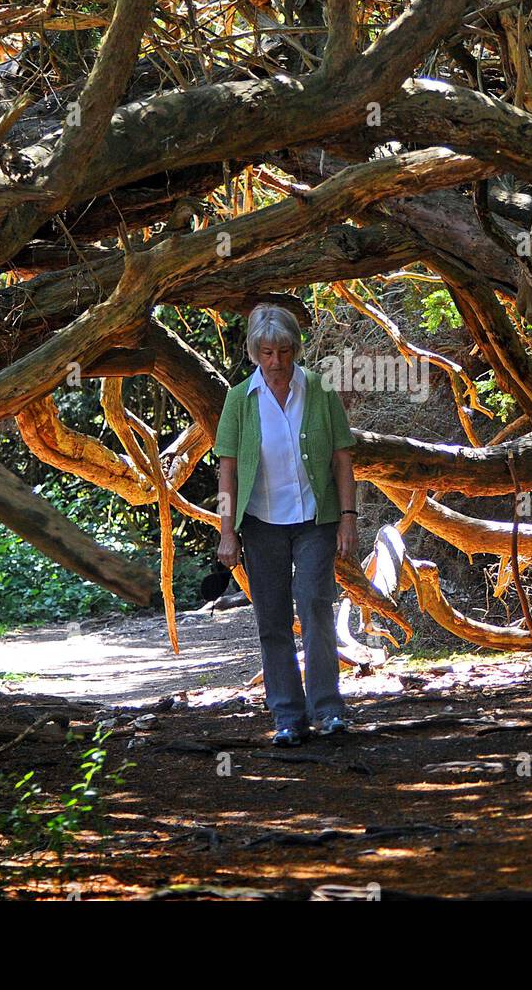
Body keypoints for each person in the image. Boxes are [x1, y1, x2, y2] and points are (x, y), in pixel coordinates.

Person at [213, 303, 359, 746]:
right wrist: (226, 530)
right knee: (272, 618)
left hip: (315, 519)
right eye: (266, 353)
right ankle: (287, 716)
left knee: (315, 604)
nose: (276, 362)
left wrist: (348, 518)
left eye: (283, 351)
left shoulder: (317, 388)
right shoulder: (240, 398)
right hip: (261, 524)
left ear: (295, 348)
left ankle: (329, 709)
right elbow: (227, 469)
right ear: (254, 353)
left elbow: (342, 459)